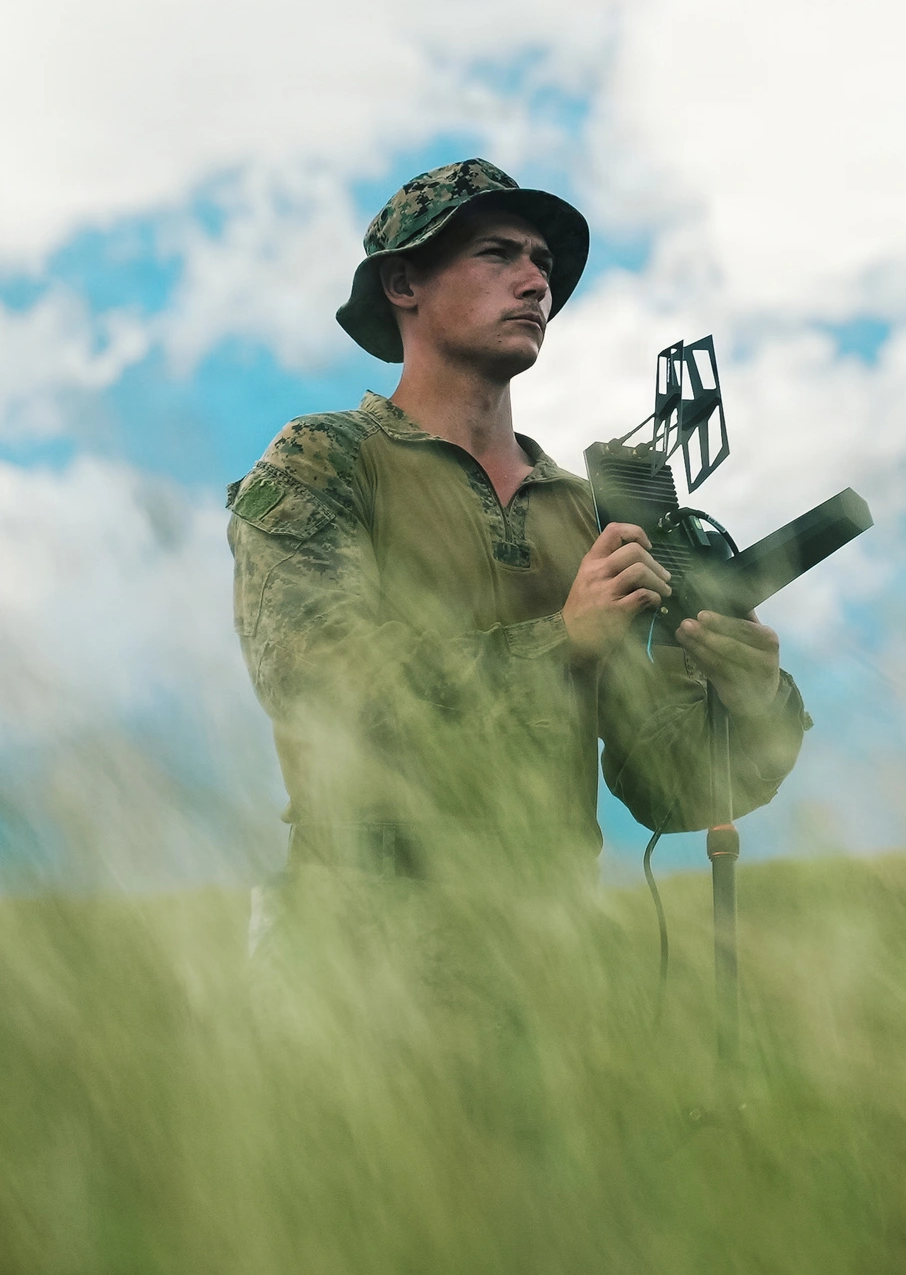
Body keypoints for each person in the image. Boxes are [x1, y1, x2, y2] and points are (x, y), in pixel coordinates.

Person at [228, 159, 809, 885]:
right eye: (497, 254)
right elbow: (318, 688)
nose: (536, 282)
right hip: (358, 956)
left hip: (551, 961)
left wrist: (751, 700)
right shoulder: (322, 461)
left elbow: (665, 785)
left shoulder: (585, 514)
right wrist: (562, 641)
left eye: (541, 263)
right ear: (404, 283)